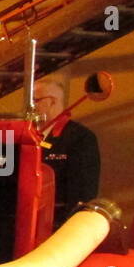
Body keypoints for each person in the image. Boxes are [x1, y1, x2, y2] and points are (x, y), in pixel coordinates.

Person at [34, 75, 101, 224]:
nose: (30, 106)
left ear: (52, 101)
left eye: (35, 100)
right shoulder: (29, 135)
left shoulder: (80, 137)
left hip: (57, 222)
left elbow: (83, 192)